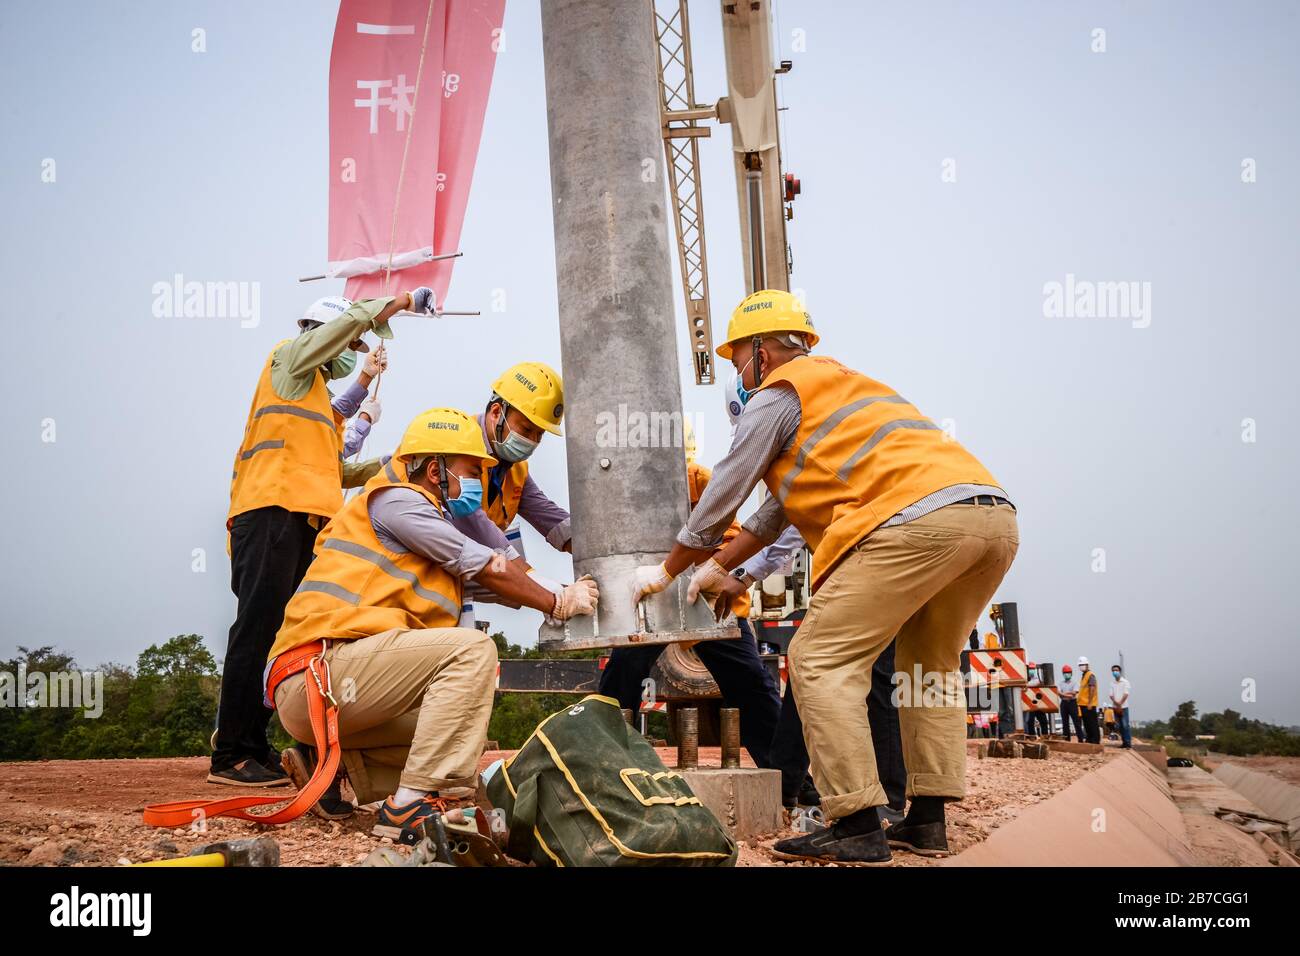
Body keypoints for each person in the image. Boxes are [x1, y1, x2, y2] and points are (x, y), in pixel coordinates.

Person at [631, 289, 1018, 864]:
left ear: (761, 350)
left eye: (738, 359)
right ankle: (928, 820)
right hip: (989, 518)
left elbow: (725, 491)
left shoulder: (778, 393)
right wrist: (719, 566)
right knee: (927, 667)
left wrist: (668, 570)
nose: (739, 372)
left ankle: (857, 823)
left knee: (818, 657)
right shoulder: (848, 388)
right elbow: (770, 516)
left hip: (912, 523)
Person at [268, 408, 600, 836]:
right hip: (315, 675)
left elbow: (498, 582)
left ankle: (331, 764)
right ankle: (412, 803)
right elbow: (487, 566)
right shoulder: (399, 501)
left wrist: (556, 592)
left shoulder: (431, 530)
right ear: (433, 468)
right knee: (473, 649)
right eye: (468, 472)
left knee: (461, 729)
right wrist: (556, 601)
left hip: (336, 695)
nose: (475, 486)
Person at [212, 290, 426, 787]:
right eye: (349, 340)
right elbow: (334, 340)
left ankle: (255, 745)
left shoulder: (313, 400)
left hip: (302, 523)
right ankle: (230, 754)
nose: (352, 349)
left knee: (283, 638)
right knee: (256, 630)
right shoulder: (287, 361)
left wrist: (401, 461)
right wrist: (380, 308)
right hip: (269, 513)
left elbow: (340, 469)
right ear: (326, 336)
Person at [599, 422, 782, 771]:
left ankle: (789, 779)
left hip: (708, 600)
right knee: (623, 673)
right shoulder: (631, 485)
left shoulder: (702, 479)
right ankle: (604, 763)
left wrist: (693, 569)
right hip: (652, 601)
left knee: (747, 681)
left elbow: (731, 541)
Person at [450, 362, 572, 623]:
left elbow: (551, 519)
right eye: (526, 429)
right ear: (497, 412)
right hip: (407, 575)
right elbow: (475, 526)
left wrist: (601, 550)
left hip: (453, 577)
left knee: (518, 586)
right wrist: (542, 588)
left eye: (539, 435)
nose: (532, 441)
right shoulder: (459, 445)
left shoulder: (514, 469)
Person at [1076, 656, 1101, 744]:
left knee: (1092, 723)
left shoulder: (1090, 675)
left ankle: (1095, 740)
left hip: (1089, 704)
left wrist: (1090, 702)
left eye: (1083, 664)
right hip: (1083, 704)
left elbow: (1092, 688)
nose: (1081, 666)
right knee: (1087, 724)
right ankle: (1089, 739)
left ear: (1087, 665)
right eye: (1080, 665)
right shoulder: (1084, 675)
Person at [1058, 663, 1083, 741]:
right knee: (1065, 723)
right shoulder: (1060, 683)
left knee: (1076, 722)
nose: (1066, 674)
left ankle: (1081, 739)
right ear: (1063, 674)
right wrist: (1068, 693)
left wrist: (1063, 694)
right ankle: (1066, 739)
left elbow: (1074, 693)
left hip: (1073, 703)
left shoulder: (1075, 682)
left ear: (1071, 673)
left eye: (1068, 673)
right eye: (1065, 673)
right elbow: (1059, 694)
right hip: (1064, 704)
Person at [1109, 664, 1132, 748]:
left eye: (1116, 670)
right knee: (1119, 726)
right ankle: (1124, 742)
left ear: (1120, 671)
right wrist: (1116, 703)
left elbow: (1126, 694)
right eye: (1113, 670)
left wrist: (1120, 703)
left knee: (1125, 725)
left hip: (1124, 707)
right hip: (1115, 707)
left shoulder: (1125, 682)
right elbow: (1111, 695)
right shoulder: (1112, 683)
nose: (1115, 672)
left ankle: (1128, 742)